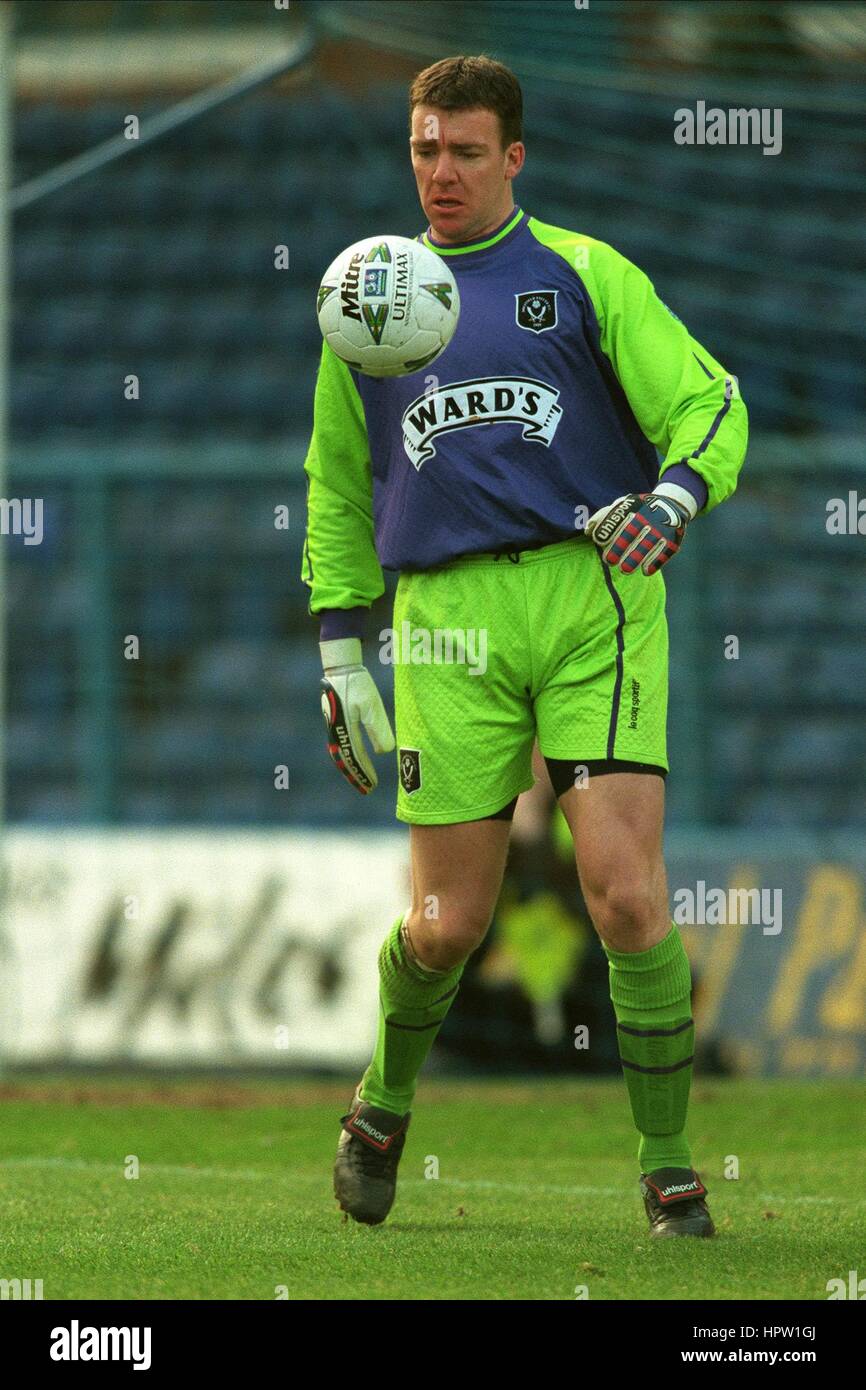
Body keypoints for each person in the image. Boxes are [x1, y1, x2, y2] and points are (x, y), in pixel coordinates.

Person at [302, 54, 747, 1237]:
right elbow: (338, 491)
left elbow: (707, 401)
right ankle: (383, 1106)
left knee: (625, 900)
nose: (437, 172)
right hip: (442, 624)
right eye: (421, 149)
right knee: (446, 926)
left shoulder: (584, 273)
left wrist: (675, 497)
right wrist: (343, 652)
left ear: (511, 156)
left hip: (590, 593)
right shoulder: (367, 300)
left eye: (461, 151)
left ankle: (667, 1170)